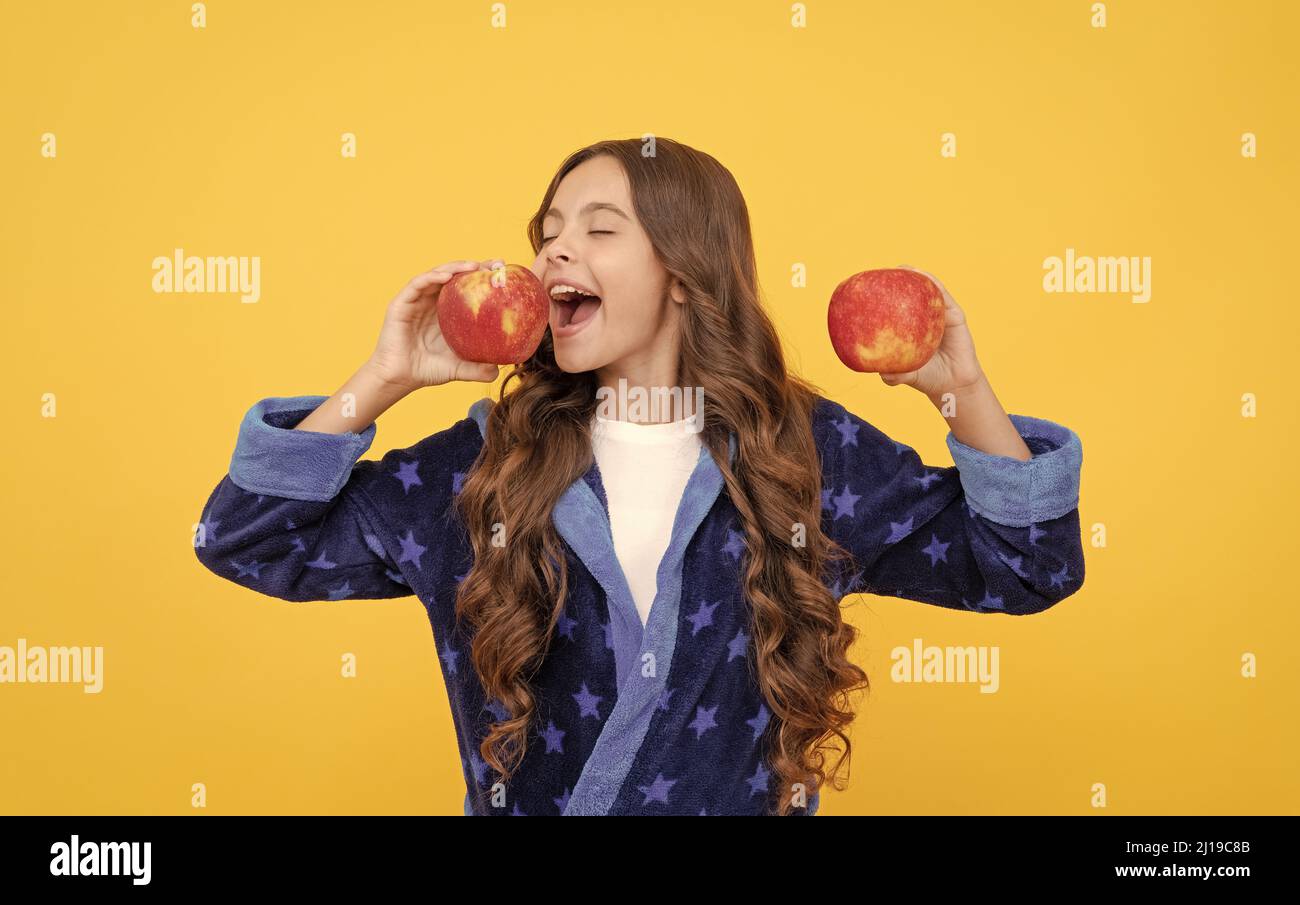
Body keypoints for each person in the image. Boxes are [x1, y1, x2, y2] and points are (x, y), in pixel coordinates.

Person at [194, 137, 1085, 815]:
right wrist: (383, 377)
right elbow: (247, 538)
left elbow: (1028, 567)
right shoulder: (480, 469)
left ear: (687, 274)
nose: (553, 255)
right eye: (546, 237)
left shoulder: (800, 454)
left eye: (599, 231)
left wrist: (961, 390)